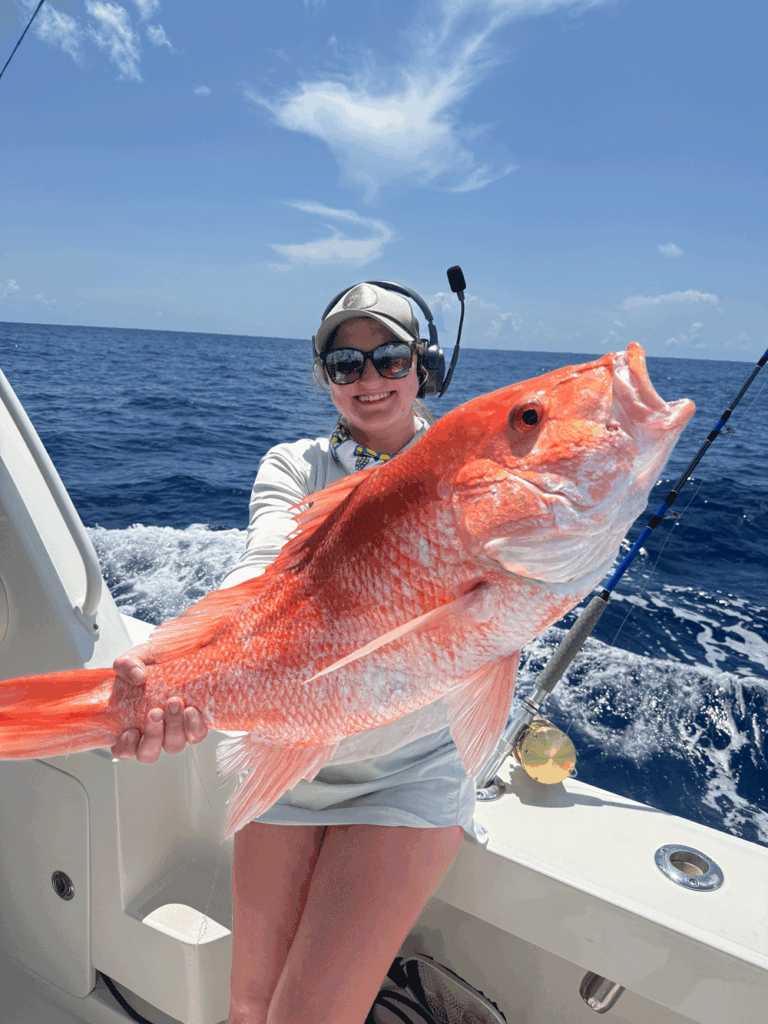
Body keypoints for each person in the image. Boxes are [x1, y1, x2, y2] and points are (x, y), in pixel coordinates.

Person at [111, 282, 484, 1024]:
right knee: (249, 1007)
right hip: (289, 756)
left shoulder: (469, 470)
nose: (369, 378)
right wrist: (174, 658)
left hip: (409, 770)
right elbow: (263, 564)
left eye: (390, 357)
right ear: (326, 376)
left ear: (425, 367)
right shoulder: (293, 464)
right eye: (346, 363)